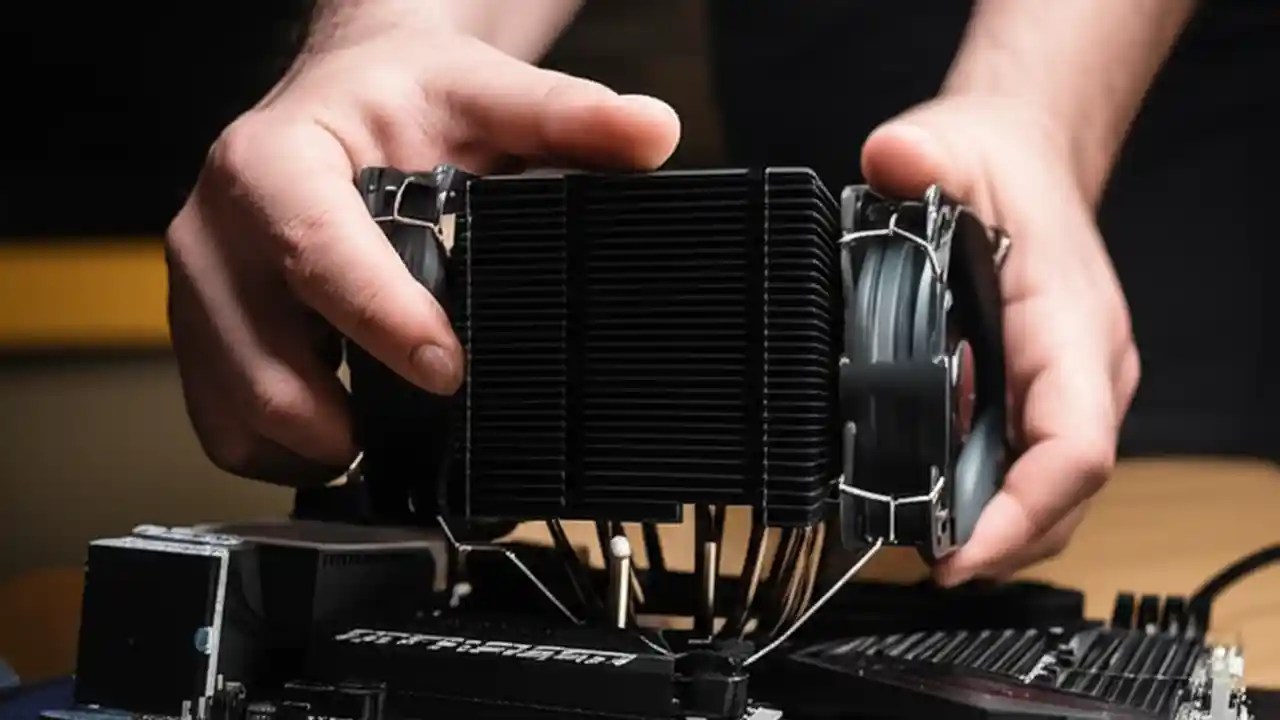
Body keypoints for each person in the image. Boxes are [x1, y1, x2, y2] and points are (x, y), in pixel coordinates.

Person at [162, 0, 1255, 587]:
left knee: (1064, 539)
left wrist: (1040, 117)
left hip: (1126, 224)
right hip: (784, 277)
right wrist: (393, 34)